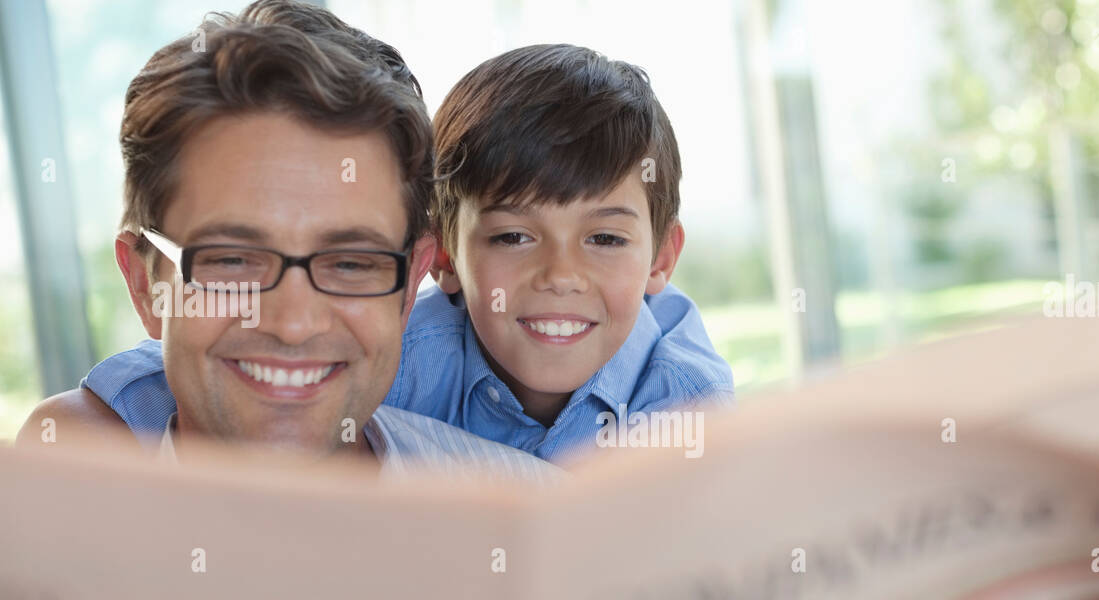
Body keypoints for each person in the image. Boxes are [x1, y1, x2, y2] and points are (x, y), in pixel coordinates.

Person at [33, 42, 733, 464]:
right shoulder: (405, 355)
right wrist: (91, 421)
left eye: (606, 239)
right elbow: (234, 367)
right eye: (513, 236)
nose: (560, 276)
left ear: (661, 260)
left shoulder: (685, 398)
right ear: (446, 264)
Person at [17, 0, 555, 483]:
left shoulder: (529, 521)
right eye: (230, 260)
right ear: (145, 285)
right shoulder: (56, 517)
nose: (293, 325)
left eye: (350, 264)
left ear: (410, 285)